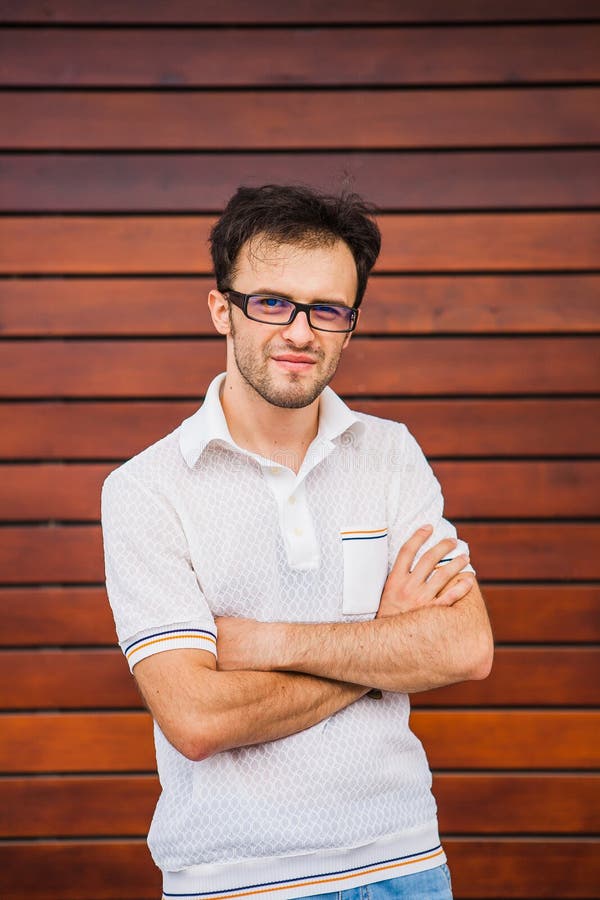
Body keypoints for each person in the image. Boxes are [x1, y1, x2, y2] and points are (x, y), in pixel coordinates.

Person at [101, 184, 494, 900]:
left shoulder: (389, 454)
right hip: (234, 882)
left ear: (350, 325)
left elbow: (464, 647)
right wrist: (382, 646)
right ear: (221, 309)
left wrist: (265, 641)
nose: (300, 331)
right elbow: (196, 719)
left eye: (327, 309)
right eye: (272, 303)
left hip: (405, 867)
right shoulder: (145, 489)